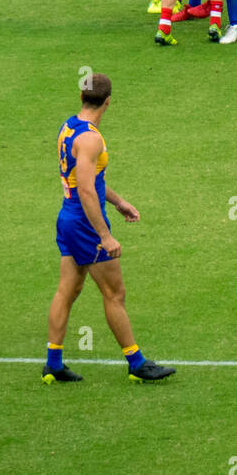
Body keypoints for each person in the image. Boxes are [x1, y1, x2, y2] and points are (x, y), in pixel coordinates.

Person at [44, 74, 175, 384]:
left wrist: (118, 202)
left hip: (68, 217)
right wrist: (105, 235)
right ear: (108, 102)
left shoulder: (68, 127)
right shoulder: (91, 138)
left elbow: (86, 182)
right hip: (85, 223)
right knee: (114, 293)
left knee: (69, 289)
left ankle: (53, 363)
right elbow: (87, 190)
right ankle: (137, 363)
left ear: (80, 97)